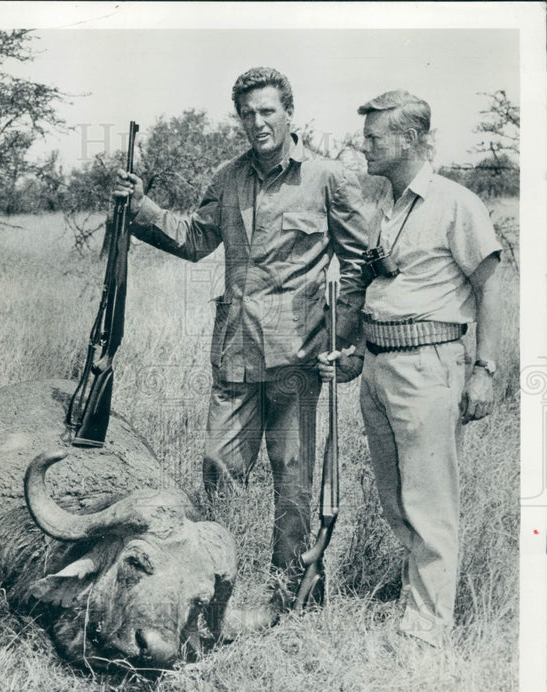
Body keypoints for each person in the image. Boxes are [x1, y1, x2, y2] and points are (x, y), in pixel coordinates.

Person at [113, 67, 369, 620]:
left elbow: (359, 264)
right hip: (234, 354)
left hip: (298, 357)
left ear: (289, 112)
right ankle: (214, 590)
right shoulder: (228, 177)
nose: (257, 122)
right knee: (218, 467)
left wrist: (342, 338)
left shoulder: (328, 178)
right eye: (247, 113)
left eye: (267, 111)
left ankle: (292, 595)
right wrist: (141, 208)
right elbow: (195, 238)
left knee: (293, 478)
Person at [319, 90, 502, 648]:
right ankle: (415, 605)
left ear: (410, 140)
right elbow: (385, 287)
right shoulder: (386, 205)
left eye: (375, 137)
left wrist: (486, 370)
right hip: (380, 367)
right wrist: (357, 356)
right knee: (396, 499)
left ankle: (426, 635)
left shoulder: (455, 202)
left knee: (430, 503)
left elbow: (491, 289)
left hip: (430, 367)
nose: (364, 145)